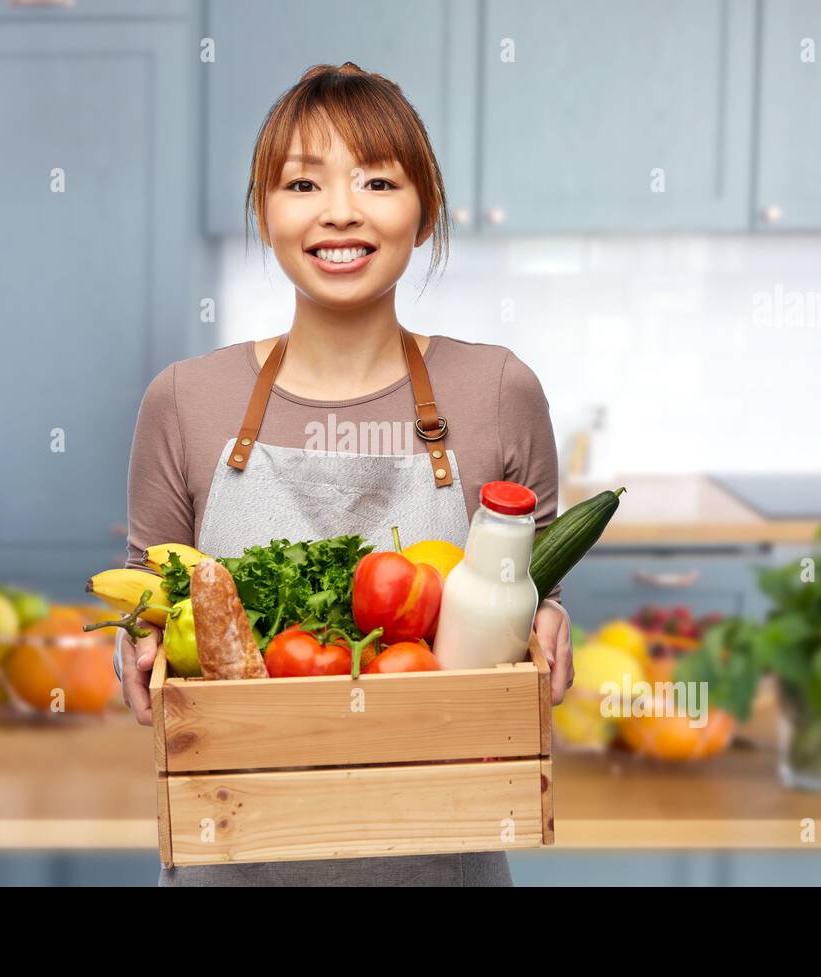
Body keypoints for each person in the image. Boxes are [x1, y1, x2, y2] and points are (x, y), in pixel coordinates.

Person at [118, 62, 573, 886]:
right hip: (233, 862)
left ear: (424, 211)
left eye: (376, 178)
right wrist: (136, 645)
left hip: (445, 864)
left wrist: (551, 628)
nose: (339, 211)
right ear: (265, 210)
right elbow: (147, 598)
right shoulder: (184, 400)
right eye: (302, 182)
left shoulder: (501, 391)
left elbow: (532, 599)